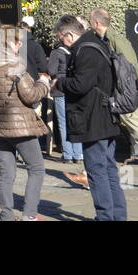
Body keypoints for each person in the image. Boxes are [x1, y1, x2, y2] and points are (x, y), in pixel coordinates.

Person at [87, 7, 138, 192]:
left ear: (97, 23)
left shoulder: (116, 40)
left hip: (122, 99)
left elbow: (130, 70)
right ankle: (91, 173)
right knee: (102, 134)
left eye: (90, 21)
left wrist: (127, 97)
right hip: (111, 98)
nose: (89, 25)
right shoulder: (104, 40)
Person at [52, 15, 127, 220]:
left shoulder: (84, 51)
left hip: (93, 118)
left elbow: (81, 84)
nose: (62, 43)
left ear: (69, 34)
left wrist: (59, 83)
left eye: (61, 38)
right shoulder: (96, 44)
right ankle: (117, 216)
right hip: (106, 116)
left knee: (97, 171)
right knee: (109, 169)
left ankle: (104, 216)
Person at [0, 25, 53, 221]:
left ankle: (6, 215)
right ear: (9, 43)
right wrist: (44, 83)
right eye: (17, 41)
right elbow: (30, 96)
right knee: (36, 168)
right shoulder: (14, 65)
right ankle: (29, 215)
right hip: (21, 126)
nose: (20, 45)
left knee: (6, 172)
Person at [47, 18, 85, 169]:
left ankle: (68, 154)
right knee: (75, 122)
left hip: (60, 89)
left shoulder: (57, 52)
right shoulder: (74, 50)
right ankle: (79, 154)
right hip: (73, 88)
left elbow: (51, 70)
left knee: (63, 123)